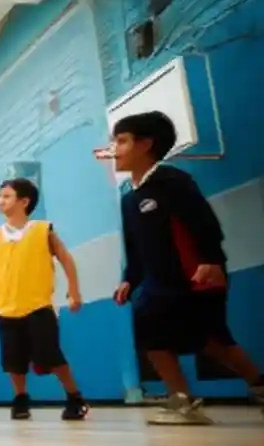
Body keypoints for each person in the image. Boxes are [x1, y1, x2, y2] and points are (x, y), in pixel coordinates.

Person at [110, 111, 264, 424]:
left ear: (145, 145)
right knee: (150, 335)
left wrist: (209, 259)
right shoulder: (129, 199)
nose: (115, 148)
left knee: (213, 341)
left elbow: (204, 222)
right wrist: (130, 278)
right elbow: (135, 247)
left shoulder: (173, 181)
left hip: (196, 277)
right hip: (158, 284)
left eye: (122, 140)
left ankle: (259, 386)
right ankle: (182, 401)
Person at [0, 178, 89, 420]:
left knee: (50, 356)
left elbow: (65, 258)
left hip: (38, 305)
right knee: (13, 360)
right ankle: (20, 399)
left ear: (24, 201)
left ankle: (74, 396)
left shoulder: (43, 230)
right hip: (7, 307)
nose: (1, 200)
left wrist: (74, 291)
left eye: (7, 196)